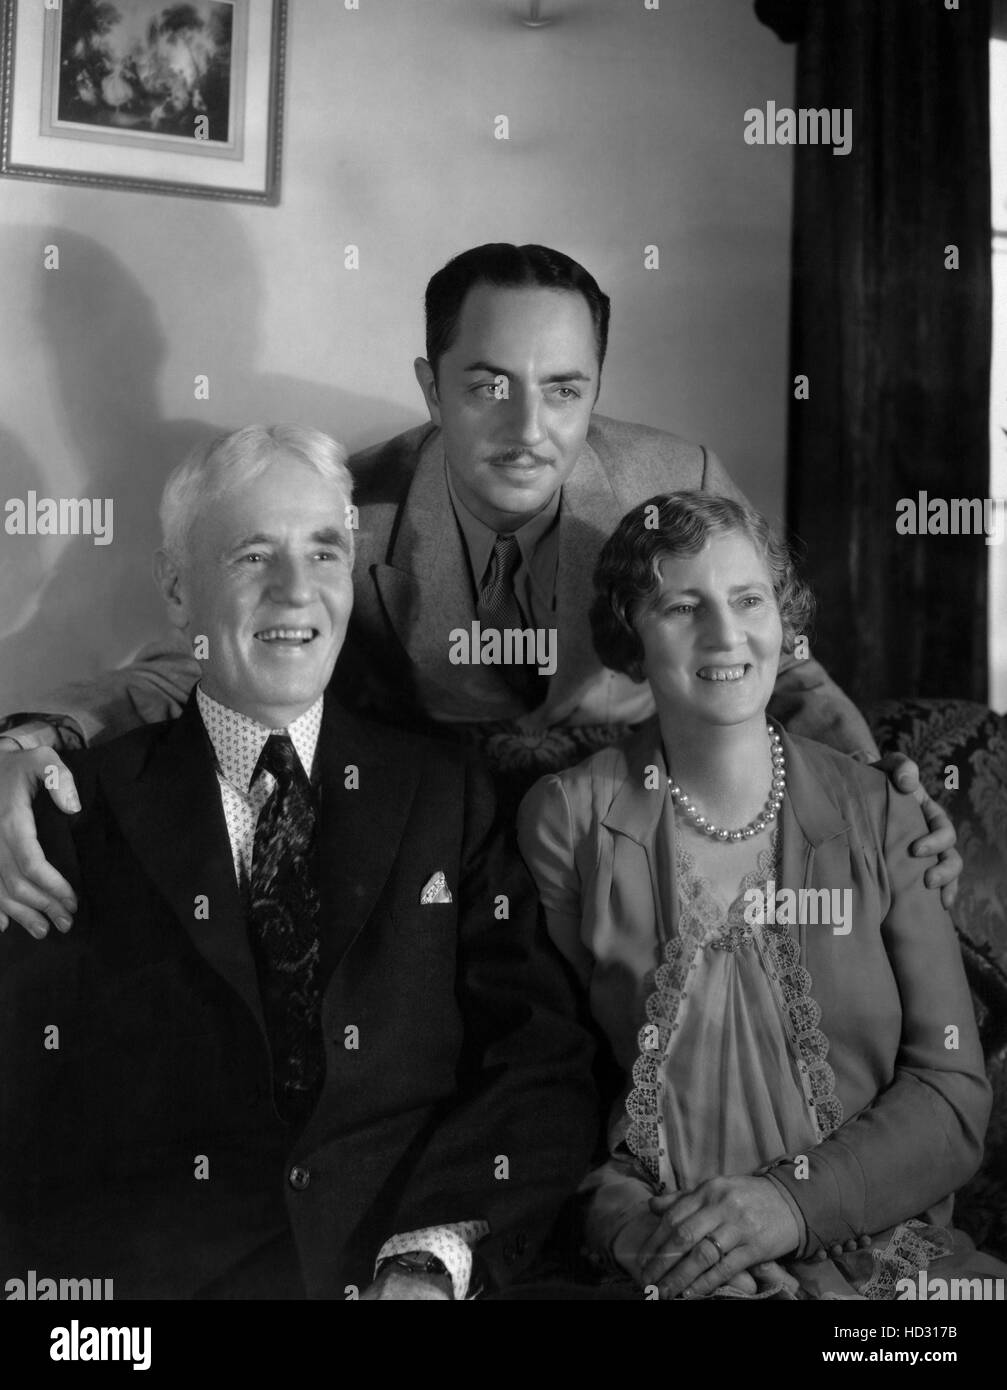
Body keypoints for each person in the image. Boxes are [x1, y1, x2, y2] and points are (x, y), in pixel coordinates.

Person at [0, 243, 960, 938]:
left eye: (563, 390)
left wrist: (885, 811)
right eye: (488, 386)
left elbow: (782, 667)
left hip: (630, 799)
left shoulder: (680, 485)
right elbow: (203, 657)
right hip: (431, 814)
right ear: (431, 387)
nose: (528, 428)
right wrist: (34, 735)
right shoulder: (356, 507)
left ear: (595, 389)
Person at [0, 426, 597, 1300]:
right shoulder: (71, 813)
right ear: (177, 590)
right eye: (252, 556)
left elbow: (540, 1060)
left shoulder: (448, 798)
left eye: (324, 552)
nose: (294, 590)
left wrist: (431, 1258)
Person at [517, 492, 1001, 1300]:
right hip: (674, 1260)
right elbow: (556, 1082)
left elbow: (952, 1096)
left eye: (748, 600)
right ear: (627, 634)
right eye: (680, 605)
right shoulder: (568, 821)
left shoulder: (882, 813)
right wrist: (632, 1229)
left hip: (885, 1258)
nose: (725, 634)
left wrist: (787, 1204)